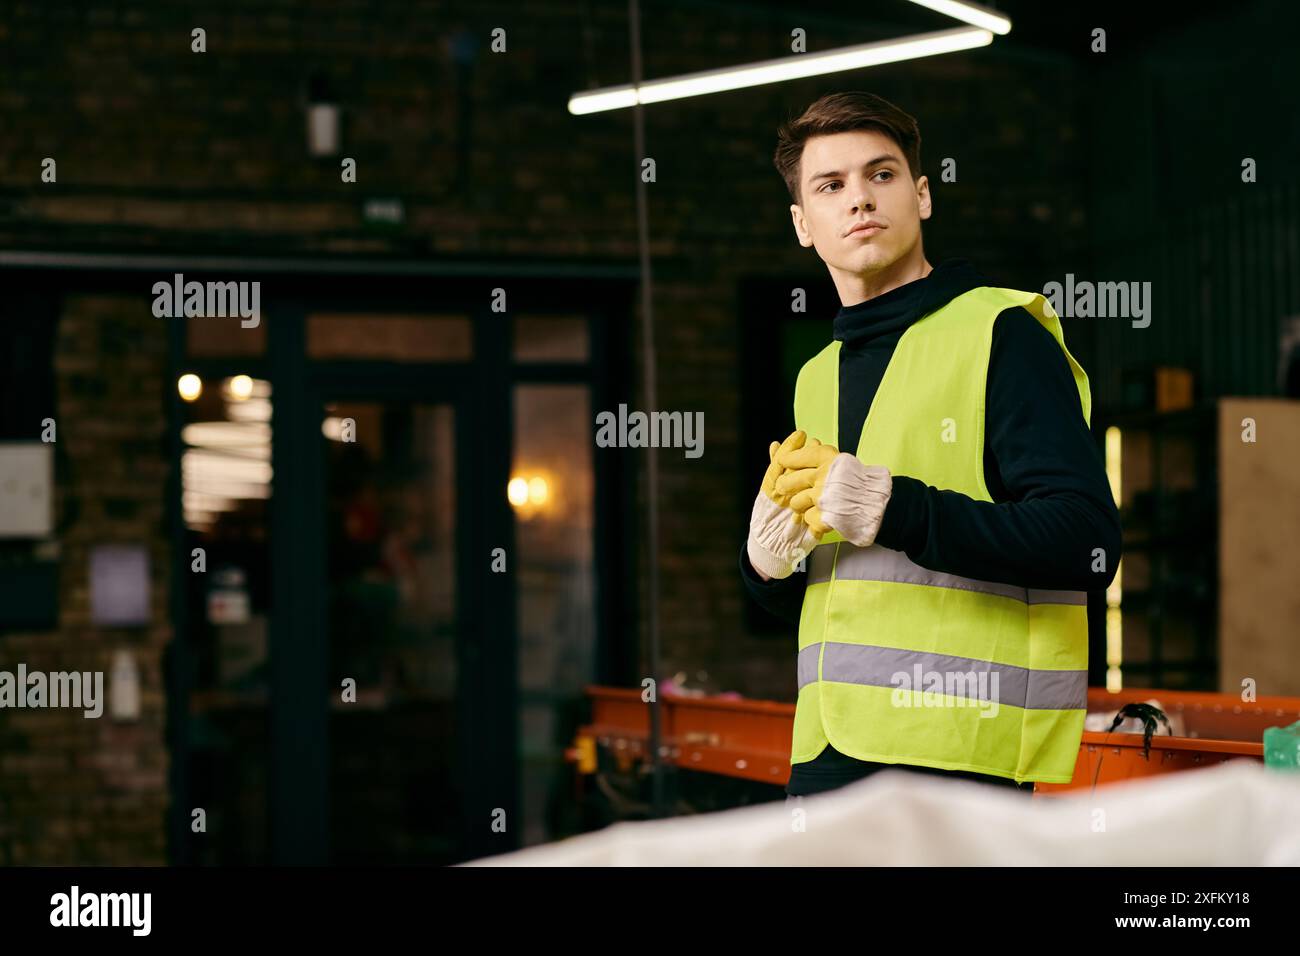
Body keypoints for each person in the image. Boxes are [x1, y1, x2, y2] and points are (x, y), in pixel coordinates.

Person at [741, 92, 1121, 799]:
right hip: (827, 750)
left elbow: (1088, 542)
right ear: (802, 224)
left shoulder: (1002, 335)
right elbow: (847, 594)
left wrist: (897, 508)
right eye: (831, 185)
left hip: (958, 753)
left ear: (921, 196)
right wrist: (766, 569)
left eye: (881, 175)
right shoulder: (815, 377)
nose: (859, 199)